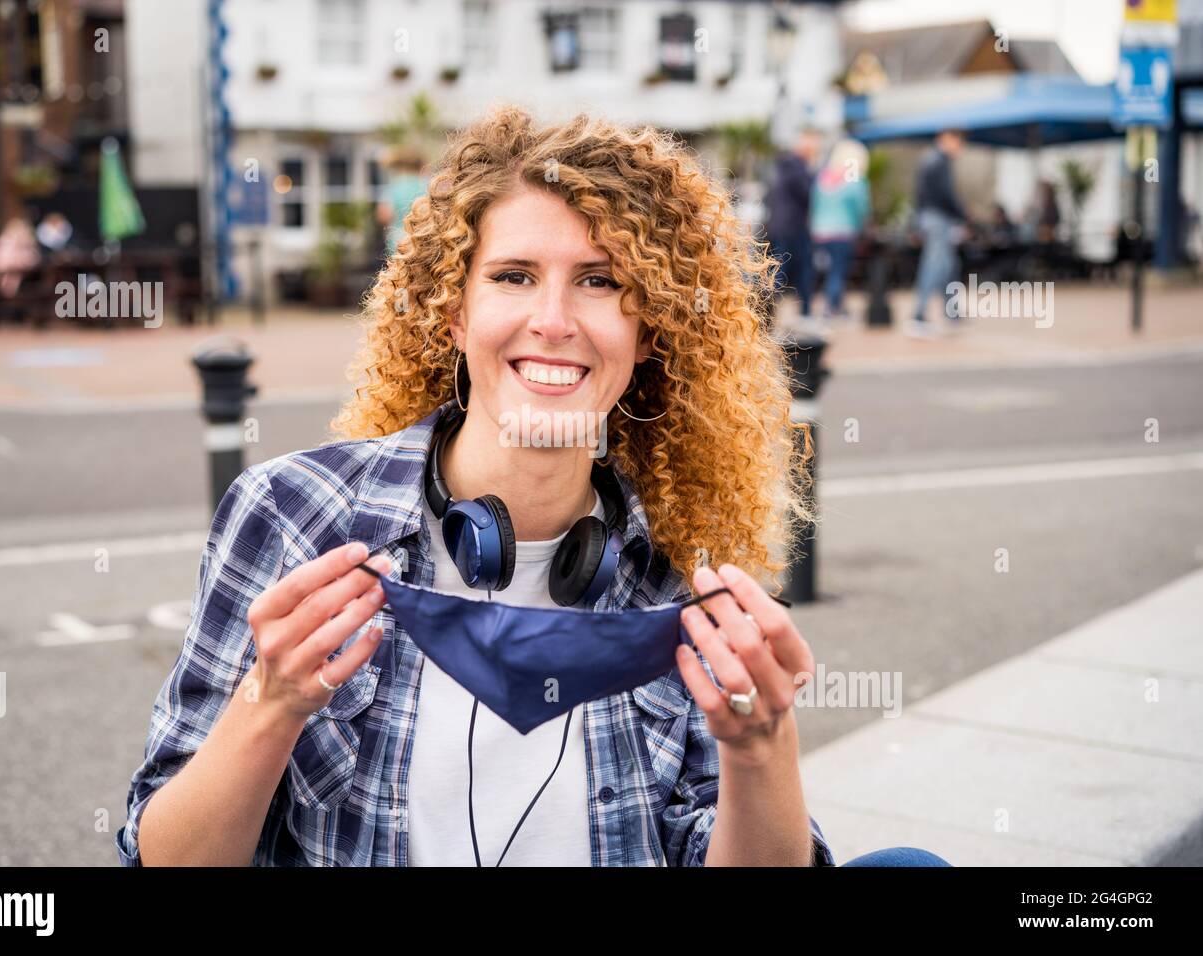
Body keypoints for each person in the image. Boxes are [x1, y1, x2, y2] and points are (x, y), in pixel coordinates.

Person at [117, 106, 950, 868]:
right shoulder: (297, 516)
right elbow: (162, 858)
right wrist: (271, 703)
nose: (553, 319)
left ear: (649, 329)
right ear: (455, 312)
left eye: (598, 281)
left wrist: (760, 746)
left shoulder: (682, 573)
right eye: (514, 275)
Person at [909, 128, 967, 338]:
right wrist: (964, 214)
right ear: (948, 139)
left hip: (931, 217)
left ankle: (952, 312)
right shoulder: (939, 161)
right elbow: (946, 194)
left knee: (948, 265)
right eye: (959, 142)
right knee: (934, 265)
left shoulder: (929, 159)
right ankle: (919, 315)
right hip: (938, 219)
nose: (960, 148)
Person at [809, 138, 870, 321]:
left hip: (820, 232)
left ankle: (835, 305)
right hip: (842, 231)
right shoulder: (853, 178)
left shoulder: (823, 177)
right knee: (838, 271)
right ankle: (833, 308)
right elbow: (861, 207)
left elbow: (814, 204)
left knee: (828, 271)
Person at [766, 128, 821, 318]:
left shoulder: (783, 166)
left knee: (781, 269)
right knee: (796, 270)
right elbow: (808, 193)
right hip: (793, 226)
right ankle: (802, 313)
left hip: (780, 225)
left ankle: (769, 311)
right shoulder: (798, 167)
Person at [376, 146, 429, 261]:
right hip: (424, 240)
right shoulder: (427, 185)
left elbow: (383, 215)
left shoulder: (395, 186)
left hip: (398, 241)